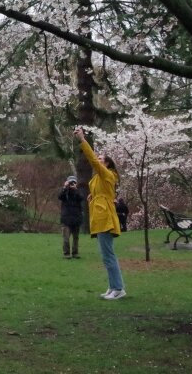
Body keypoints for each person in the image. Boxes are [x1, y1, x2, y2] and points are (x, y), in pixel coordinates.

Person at [74, 127, 126, 300]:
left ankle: (118, 288)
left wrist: (82, 139)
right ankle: (113, 287)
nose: (98, 160)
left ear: (107, 164)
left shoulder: (108, 174)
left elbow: (93, 162)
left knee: (108, 255)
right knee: (106, 256)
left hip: (105, 219)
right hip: (99, 217)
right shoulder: (98, 178)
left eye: (101, 159)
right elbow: (103, 192)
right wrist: (93, 196)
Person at [58, 175, 84, 258]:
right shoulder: (65, 192)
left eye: (74, 182)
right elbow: (60, 196)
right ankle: (66, 253)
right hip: (66, 218)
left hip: (76, 218)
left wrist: (75, 189)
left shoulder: (78, 191)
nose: (72, 184)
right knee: (66, 238)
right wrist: (65, 187)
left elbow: (81, 198)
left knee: (76, 238)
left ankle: (75, 253)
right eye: (71, 182)